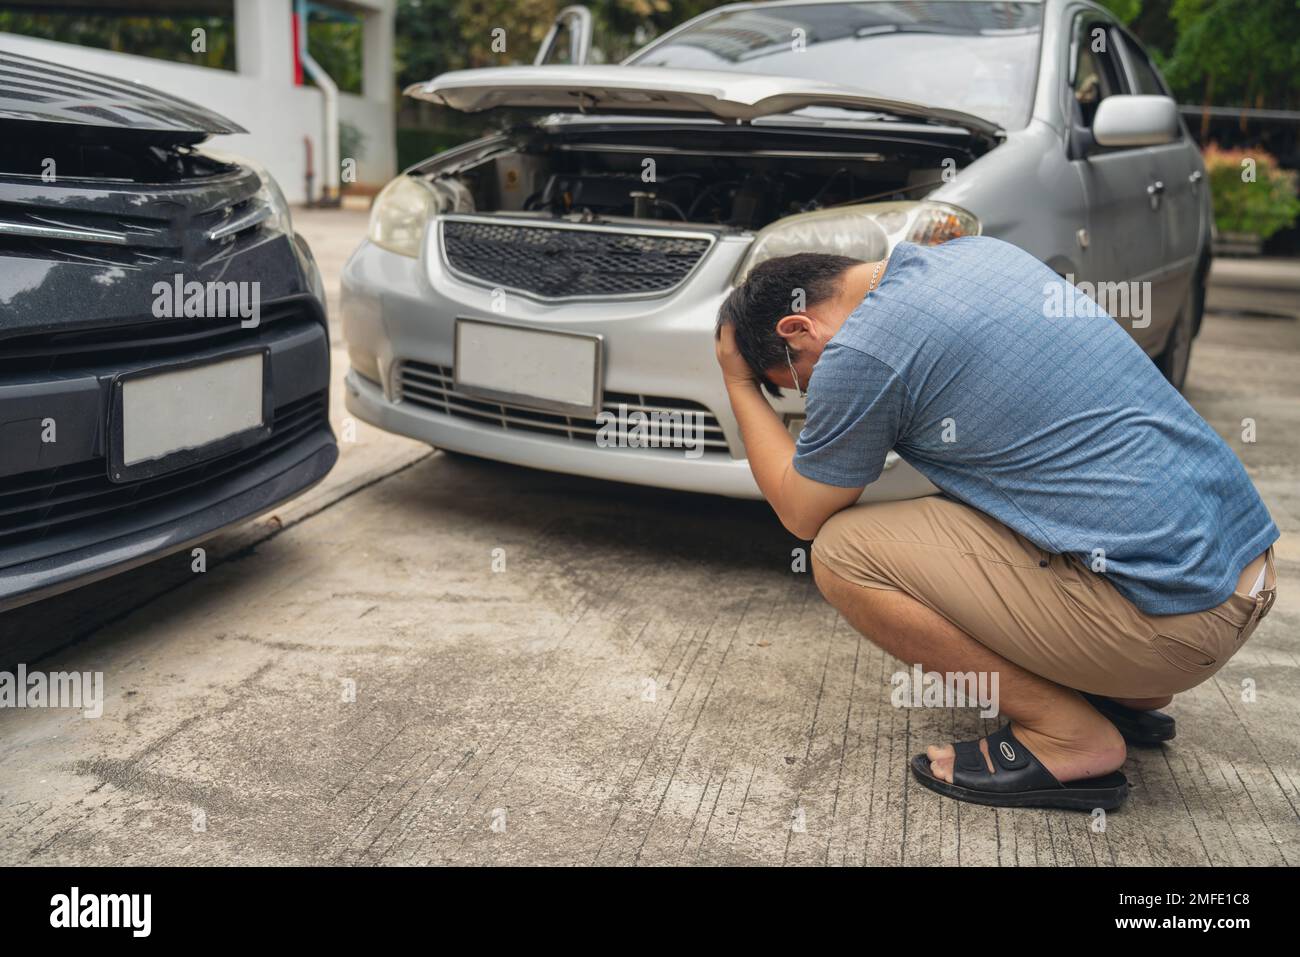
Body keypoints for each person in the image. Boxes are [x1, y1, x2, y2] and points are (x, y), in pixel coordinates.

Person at [714, 236, 1279, 810]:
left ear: (797, 329)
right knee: (971, 498)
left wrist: (738, 383)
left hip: (1173, 628)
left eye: (800, 381)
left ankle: (1070, 736)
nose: (814, 393)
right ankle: (1121, 695)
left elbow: (801, 513)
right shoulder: (980, 255)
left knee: (841, 553)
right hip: (1240, 573)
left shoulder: (861, 350)